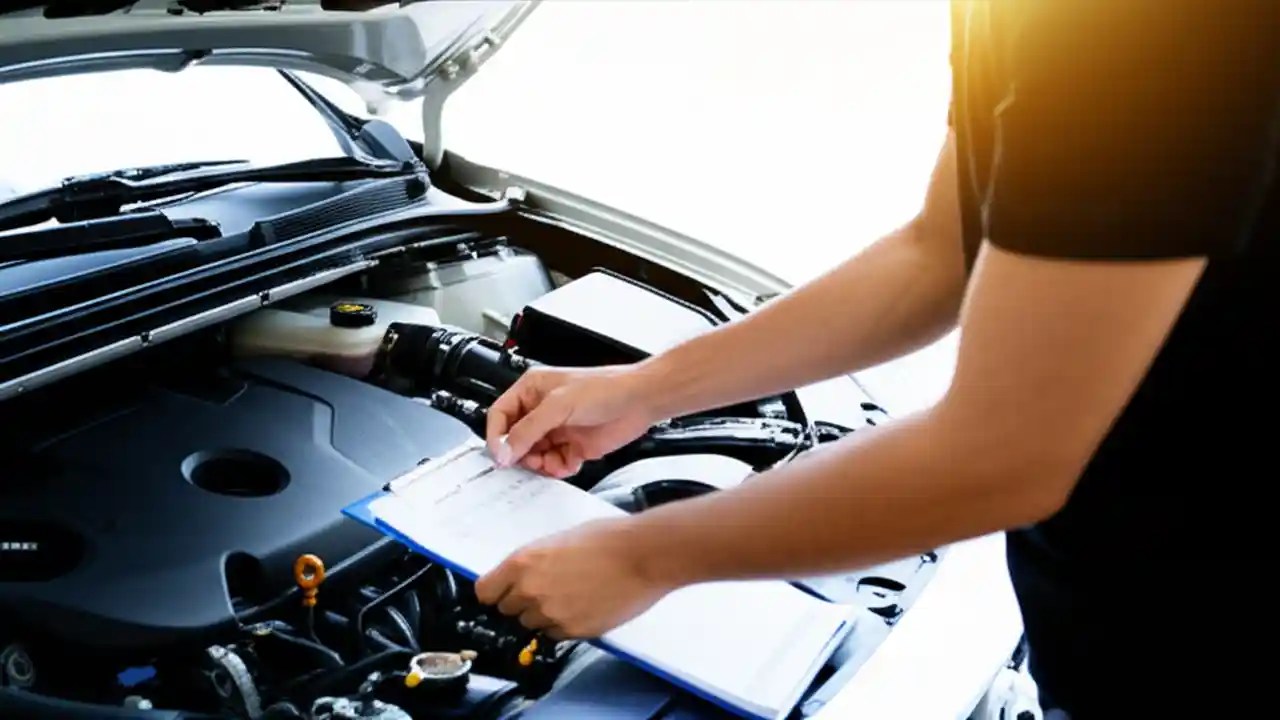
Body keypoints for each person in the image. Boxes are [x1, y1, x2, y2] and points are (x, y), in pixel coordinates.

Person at [474, 2, 1278, 716]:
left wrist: (642, 557)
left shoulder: (1149, 24)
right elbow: (941, 251)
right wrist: (650, 388)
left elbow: (1006, 455)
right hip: (1105, 611)